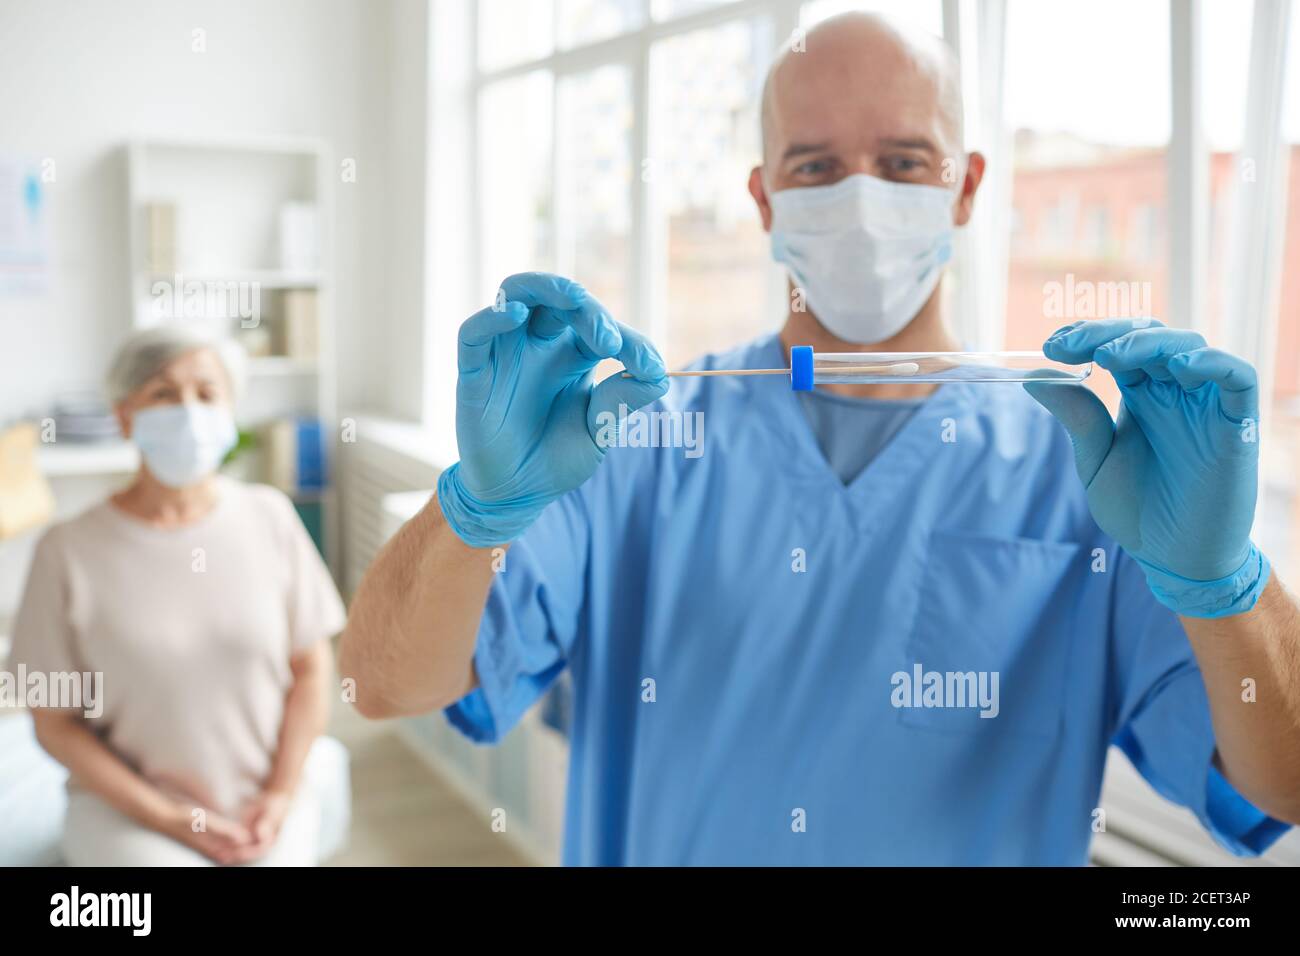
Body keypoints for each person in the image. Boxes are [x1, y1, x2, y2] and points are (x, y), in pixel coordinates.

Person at [340, 13, 1300, 864]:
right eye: (816, 167)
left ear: (964, 188)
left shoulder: (1087, 469)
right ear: (764, 201)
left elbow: (1283, 786)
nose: (861, 198)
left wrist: (1226, 587)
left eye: (903, 162)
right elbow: (381, 684)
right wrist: (474, 508)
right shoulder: (633, 439)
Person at [9, 326, 346, 865]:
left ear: (230, 412)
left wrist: (279, 794)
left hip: (264, 799)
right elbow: (52, 722)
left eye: (207, 393)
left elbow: (311, 669)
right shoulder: (67, 551)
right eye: (163, 393)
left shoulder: (271, 518)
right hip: (129, 811)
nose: (188, 411)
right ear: (125, 416)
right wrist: (166, 817)